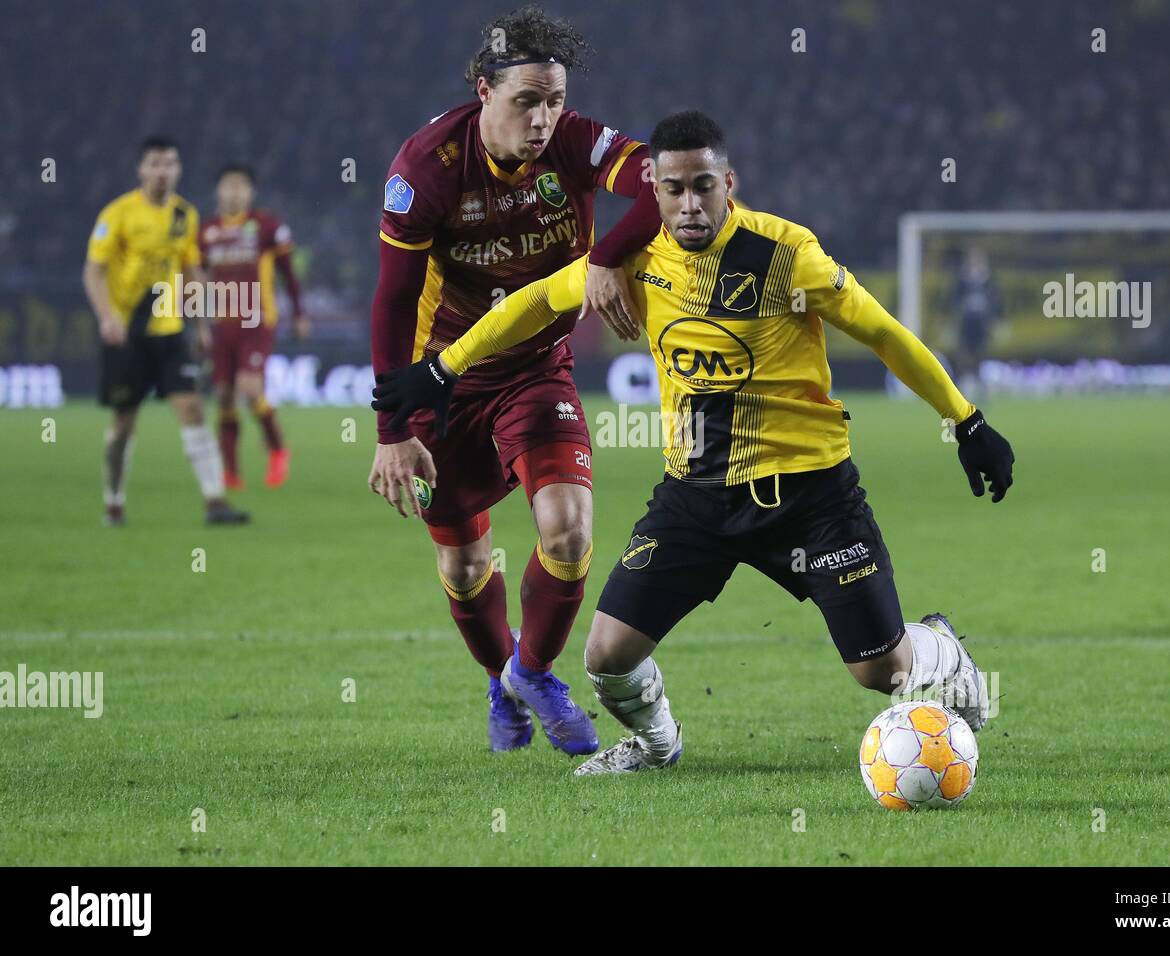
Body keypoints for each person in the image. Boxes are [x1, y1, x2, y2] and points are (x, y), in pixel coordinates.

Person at [375, 111, 1016, 776]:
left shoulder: (785, 253)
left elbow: (884, 333)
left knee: (880, 670)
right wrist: (442, 369)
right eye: (673, 188)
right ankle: (657, 744)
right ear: (653, 192)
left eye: (703, 185)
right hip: (697, 497)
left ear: (728, 183)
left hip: (811, 495)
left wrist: (966, 421)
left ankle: (941, 649)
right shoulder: (632, 263)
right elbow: (531, 304)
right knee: (606, 655)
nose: (689, 203)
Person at [367, 6, 664, 754]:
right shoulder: (426, 167)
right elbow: (395, 300)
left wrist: (604, 261)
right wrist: (392, 433)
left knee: (568, 529)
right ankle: (502, 677)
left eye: (555, 100)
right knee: (465, 563)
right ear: (483, 90)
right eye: (527, 101)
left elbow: (662, 183)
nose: (544, 118)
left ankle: (534, 672)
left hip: (537, 369)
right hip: (444, 380)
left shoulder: (573, 143)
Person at [84, 136, 248, 526]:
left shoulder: (184, 215)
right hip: (127, 332)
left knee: (191, 408)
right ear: (142, 170)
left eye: (170, 163)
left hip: (169, 329)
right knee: (124, 421)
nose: (163, 171)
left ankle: (215, 502)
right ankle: (114, 500)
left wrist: (201, 323)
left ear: (178, 169)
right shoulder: (118, 214)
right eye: (155, 164)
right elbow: (94, 270)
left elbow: (189, 268)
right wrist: (107, 317)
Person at [199, 164, 307, 490]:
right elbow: (199, 279)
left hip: (257, 320)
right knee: (224, 396)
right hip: (221, 324)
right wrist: (201, 324)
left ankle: (277, 449)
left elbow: (288, 273)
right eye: (228, 186)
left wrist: (299, 313)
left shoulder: (266, 226)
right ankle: (230, 472)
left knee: (249, 389)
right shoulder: (205, 231)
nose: (234, 192)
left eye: (241, 186)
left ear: (251, 191)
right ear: (218, 191)